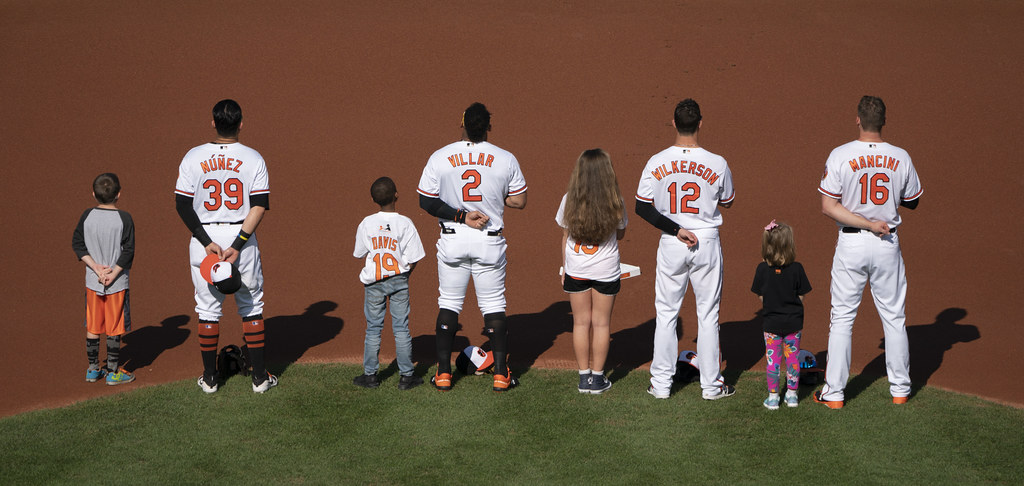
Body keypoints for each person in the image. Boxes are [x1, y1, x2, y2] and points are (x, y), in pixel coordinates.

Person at [815, 96, 923, 408]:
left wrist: (864, 220)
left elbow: (828, 206)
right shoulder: (900, 156)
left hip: (852, 244)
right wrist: (882, 209)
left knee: (843, 319)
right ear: (884, 121)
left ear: (858, 120)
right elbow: (913, 200)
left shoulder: (841, 154)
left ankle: (834, 395)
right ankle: (900, 390)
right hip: (888, 243)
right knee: (894, 317)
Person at [417, 102, 527, 392]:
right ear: (488, 127)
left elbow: (426, 201)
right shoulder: (505, 159)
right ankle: (501, 375)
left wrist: (461, 215)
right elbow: (519, 200)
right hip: (489, 241)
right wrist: (492, 199)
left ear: (462, 123)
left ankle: (442, 373)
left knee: (449, 302)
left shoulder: (440, 157)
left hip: (453, 238)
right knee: (493, 304)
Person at [635, 98, 736, 400]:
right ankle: (711, 386)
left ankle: (661, 385)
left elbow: (642, 207)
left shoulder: (656, 161)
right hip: (706, 239)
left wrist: (676, 229)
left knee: (666, 313)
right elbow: (728, 201)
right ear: (700, 123)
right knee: (708, 315)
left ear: (673, 122)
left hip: (672, 241)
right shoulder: (717, 162)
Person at [174, 99, 277, 394]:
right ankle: (259, 379)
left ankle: (209, 379)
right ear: (241, 124)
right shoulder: (253, 158)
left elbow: (182, 205)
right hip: (241, 239)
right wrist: (238, 244)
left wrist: (206, 242)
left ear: (213, 122)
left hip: (204, 242)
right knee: (251, 305)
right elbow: (258, 206)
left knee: (207, 310)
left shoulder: (193, 157)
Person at [556, 149, 627, 394]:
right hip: (606, 269)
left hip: (576, 269)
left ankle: (583, 377)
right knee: (601, 323)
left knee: (580, 322)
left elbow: (564, 235)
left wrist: (565, 267)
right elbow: (621, 233)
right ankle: (598, 379)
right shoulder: (615, 200)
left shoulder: (569, 199)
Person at [352, 177, 426, 390]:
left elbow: (359, 253)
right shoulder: (405, 223)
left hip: (374, 281)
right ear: (396, 195)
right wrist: (404, 276)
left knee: (373, 329)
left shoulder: (366, 223)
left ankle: (370, 376)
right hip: (399, 280)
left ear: (374, 199)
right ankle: (406, 377)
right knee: (401, 328)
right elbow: (415, 257)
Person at [72, 173, 136, 386]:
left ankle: (92, 370)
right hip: (116, 284)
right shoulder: (124, 218)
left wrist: (96, 268)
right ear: (119, 194)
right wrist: (112, 273)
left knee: (93, 324)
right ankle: (113, 372)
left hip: (93, 282)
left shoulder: (86, 215)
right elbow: (128, 252)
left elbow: (78, 244)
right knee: (114, 326)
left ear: (93, 194)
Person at [751, 220, 812, 409]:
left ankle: (773, 398)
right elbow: (801, 295)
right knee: (793, 359)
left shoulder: (762, 269)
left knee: (773, 361)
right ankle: (792, 395)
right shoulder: (797, 268)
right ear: (789, 245)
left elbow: (761, 296)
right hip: (793, 323)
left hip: (771, 323)